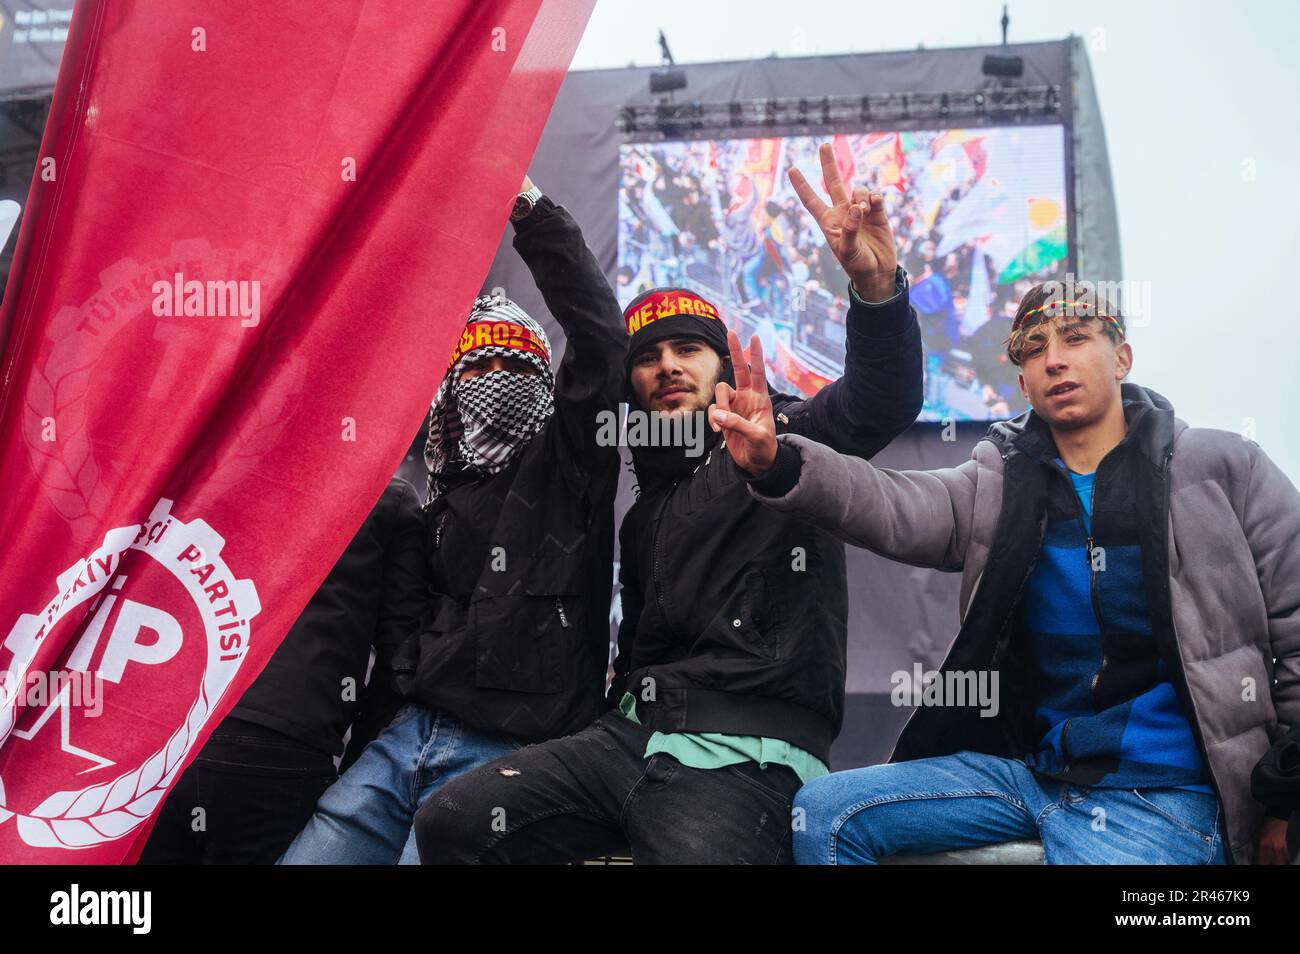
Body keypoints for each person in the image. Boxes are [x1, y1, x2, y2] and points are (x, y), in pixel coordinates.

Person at [413, 142, 923, 864]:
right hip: (624, 741)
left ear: (724, 365)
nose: (668, 366)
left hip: (747, 759)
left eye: (689, 348)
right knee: (454, 820)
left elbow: (880, 401)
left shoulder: (783, 439)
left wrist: (877, 293)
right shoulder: (643, 508)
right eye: (649, 357)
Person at [716, 279, 1300, 864]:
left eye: (1075, 338)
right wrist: (776, 460)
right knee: (823, 814)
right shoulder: (997, 481)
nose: (1055, 359)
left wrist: (1285, 794)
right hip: (1033, 775)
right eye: (1035, 347)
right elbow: (890, 504)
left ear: (1121, 355)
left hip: (1166, 793)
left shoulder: (1225, 468)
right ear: (1022, 383)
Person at [279, 175, 627, 864]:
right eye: (479, 365)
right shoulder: (437, 491)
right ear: (451, 389)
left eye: (516, 364)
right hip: (407, 737)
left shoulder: (572, 465)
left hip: (507, 754)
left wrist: (530, 212)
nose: (497, 377)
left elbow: (603, 341)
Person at [140, 477, 424, 864]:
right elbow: (400, 657)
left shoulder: (213, 466)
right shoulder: (387, 496)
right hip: (286, 747)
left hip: (168, 738)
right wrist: (359, 765)